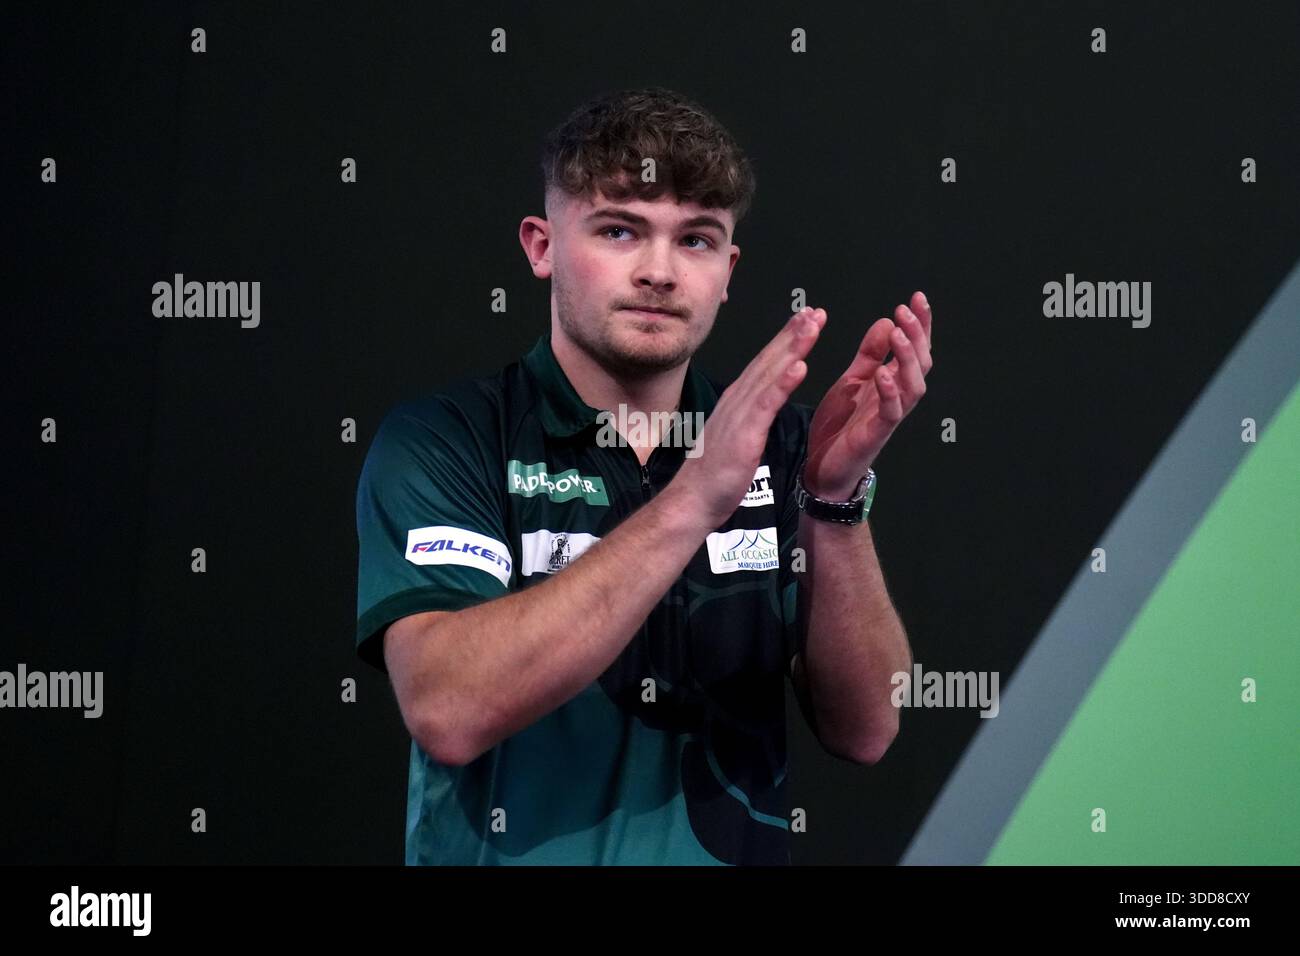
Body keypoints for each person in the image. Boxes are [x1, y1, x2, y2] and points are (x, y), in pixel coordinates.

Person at [354, 87, 932, 865]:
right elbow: (449, 707)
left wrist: (834, 502)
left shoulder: (783, 442)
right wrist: (696, 497)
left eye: (695, 241)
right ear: (540, 246)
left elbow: (869, 730)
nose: (660, 272)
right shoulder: (445, 439)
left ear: (728, 271)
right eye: (620, 230)